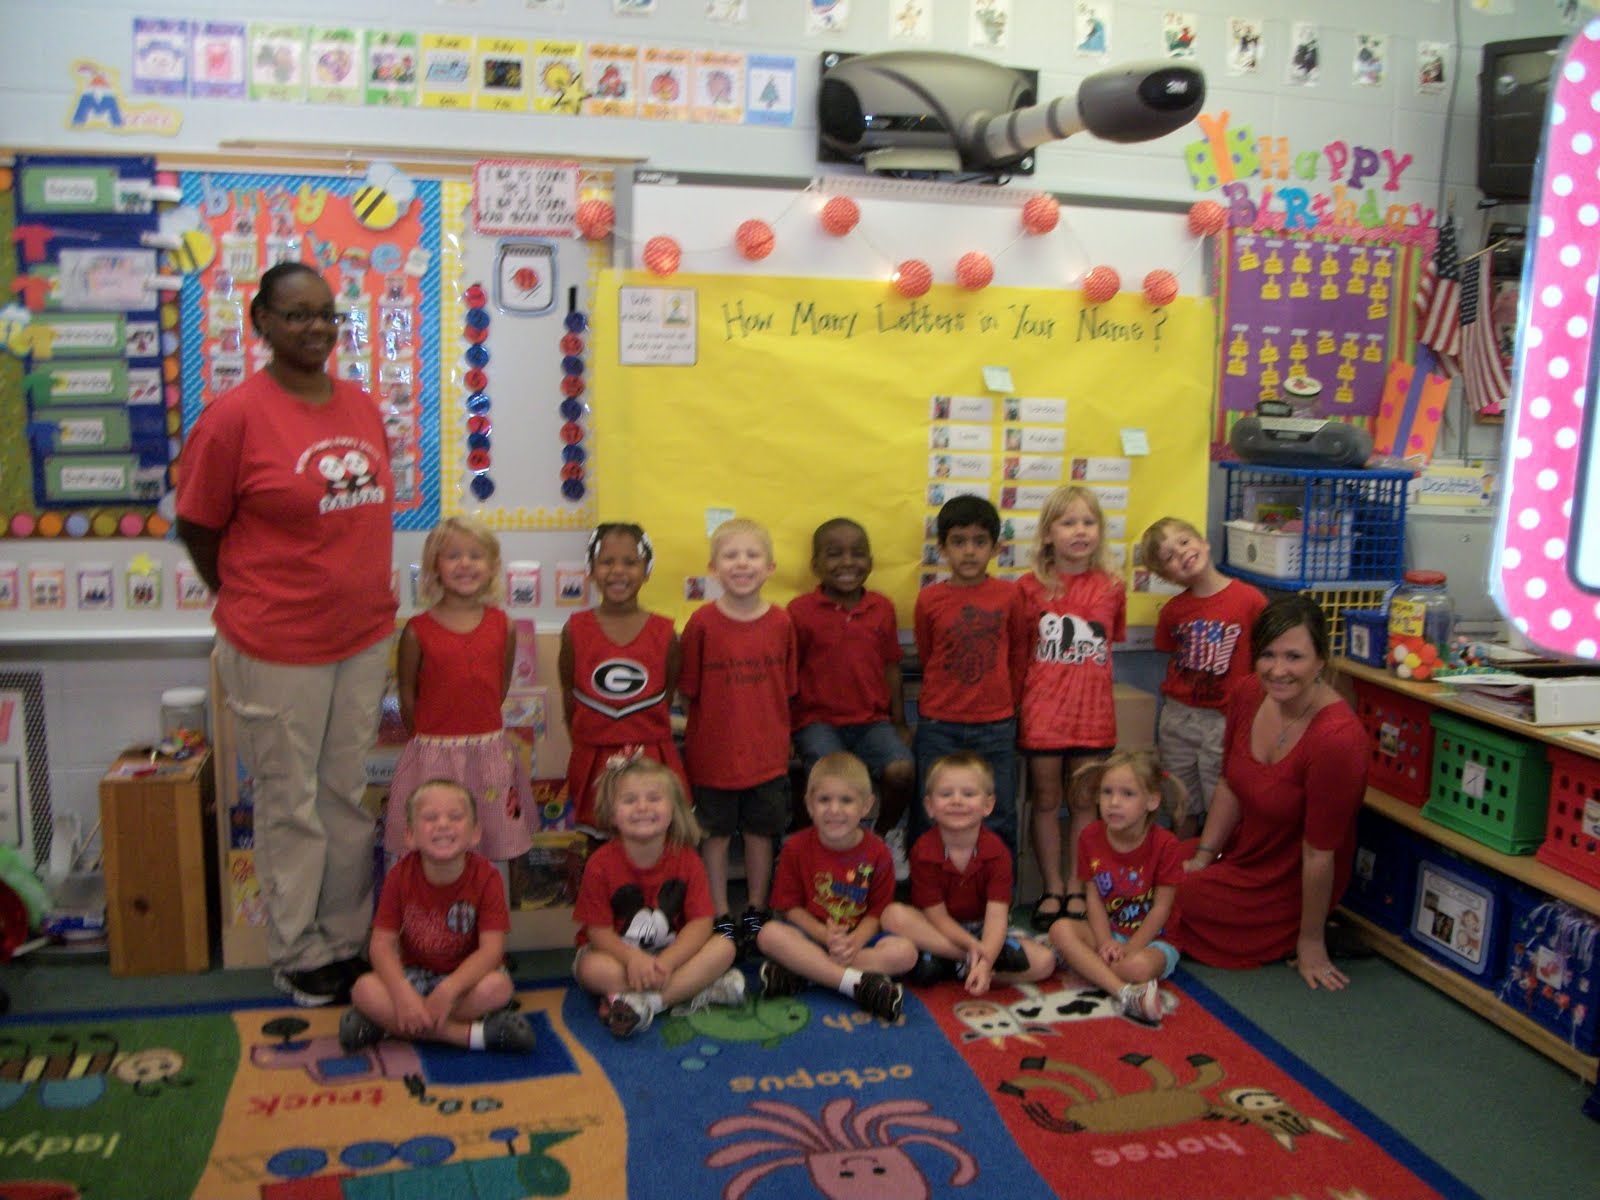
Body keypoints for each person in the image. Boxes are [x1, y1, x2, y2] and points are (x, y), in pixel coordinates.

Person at [177, 261, 396, 1007]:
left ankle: (345, 938)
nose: (316, 328)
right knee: (289, 801)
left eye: (326, 314)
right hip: (276, 646)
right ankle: (299, 952)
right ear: (261, 322)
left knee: (344, 794)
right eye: (298, 314)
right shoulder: (234, 417)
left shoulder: (360, 406)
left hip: (361, 638)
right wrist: (247, 595)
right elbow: (197, 526)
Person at [1170, 595, 1370, 990]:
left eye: (1294, 657)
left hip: (1287, 881)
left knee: (1168, 891)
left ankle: (1305, 932)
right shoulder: (1248, 692)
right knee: (1147, 860)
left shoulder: (1337, 739)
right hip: (1242, 850)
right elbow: (1230, 783)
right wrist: (1204, 856)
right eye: (1267, 655)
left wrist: (1310, 941)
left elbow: (1319, 854)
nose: (1278, 670)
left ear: (1320, 660)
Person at [384, 516, 532, 889]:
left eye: (475, 556)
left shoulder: (503, 625)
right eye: (453, 556)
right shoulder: (417, 630)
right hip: (433, 755)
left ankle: (490, 914)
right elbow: (407, 697)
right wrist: (434, 742)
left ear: (492, 566)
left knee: (492, 841)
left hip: (488, 753)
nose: (465, 564)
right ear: (435, 566)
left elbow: (498, 687)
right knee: (434, 839)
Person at [340, 779, 536, 1053]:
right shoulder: (398, 876)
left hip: (465, 979)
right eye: (430, 818)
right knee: (363, 989)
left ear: (475, 833)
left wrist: (449, 990)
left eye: (455, 817)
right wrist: (402, 994)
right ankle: (470, 1035)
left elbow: (491, 951)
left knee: (499, 987)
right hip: (414, 976)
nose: (443, 824)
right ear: (410, 835)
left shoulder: (487, 877)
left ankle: (389, 1026)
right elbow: (381, 946)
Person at [679, 517, 797, 957]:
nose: (742, 563)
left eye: (752, 555)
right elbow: (689, 691)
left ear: (770, 567)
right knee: (714, 835)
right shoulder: (701, 623)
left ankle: (755, 909)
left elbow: (787, 688)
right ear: (713, 567)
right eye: (730, 555)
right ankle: (718, 912)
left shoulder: (782, 622)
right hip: (713, 756)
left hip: (767, 756)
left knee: (761, 834)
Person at [572, 755, 745, 1038]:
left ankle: (649, 1003)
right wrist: (632, 959)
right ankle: (694, 988)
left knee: (725, 946)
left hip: (672, 955)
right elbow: (598, 932)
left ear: (673, 810)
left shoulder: (688, 860)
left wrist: (668, 962)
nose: (642, 807)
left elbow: (701, 924)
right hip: (617, 956)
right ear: (612, 813)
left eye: (654, 798)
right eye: (630, 800)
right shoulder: (599, 865)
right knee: (591, 969)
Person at [1017, 485, 1126, 931]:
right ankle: (1052, 886)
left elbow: (1108, 643)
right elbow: (1021, 652)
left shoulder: (1113, 586)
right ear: (1048, 533)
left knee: (1084, 802)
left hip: (1093, 714)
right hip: (1043, 714)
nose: (1080, 531)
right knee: (1046, 801)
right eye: (1068, 523)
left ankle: (1079, 887)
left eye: (1088, 522)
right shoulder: (1027, 588)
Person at [755, 753, 918, 1020]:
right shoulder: (795, 847)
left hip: (858, 942)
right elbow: (789, 908)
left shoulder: (878, 852)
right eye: (824, 800)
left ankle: (806, 972)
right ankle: (855, 984)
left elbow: (878, 913)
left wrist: (855, 941)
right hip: (811, 936)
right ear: (809, 804)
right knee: (768, 934)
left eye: (846, 800)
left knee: (906, 954)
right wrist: (823, 935)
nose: (834, 810)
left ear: (866, 806)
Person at [911, 495, 1030, 858]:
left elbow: (1018, 654)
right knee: (931, 811)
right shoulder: (929, 599)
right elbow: (929, 654)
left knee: (999, 813)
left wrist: (1009, 706)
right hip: (939, 724)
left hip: (995, 725)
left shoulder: (1010, 596)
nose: (969, 551)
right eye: (958, 541)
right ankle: (930, 888)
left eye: (979, 542)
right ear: (942, 548)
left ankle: (998, 891)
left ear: (995, 548)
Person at [882, 752, 1056, 992]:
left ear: (988, 805)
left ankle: (958, 967)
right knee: (892, 915)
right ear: (930, 806)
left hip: (983, 929)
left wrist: (986, 959)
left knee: (1045, 962)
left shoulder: (997, 853)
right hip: (937, 930)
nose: (957, 801)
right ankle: (964, 961)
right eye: (946, 794)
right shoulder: (923, 850)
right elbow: (937, 916)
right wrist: (972, 949)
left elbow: (996, 918)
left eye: (968, 794)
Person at [1139, 517, 1268, 839]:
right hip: (1178, 717)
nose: (1181, 554)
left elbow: (1265, 656)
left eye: (1184, 542)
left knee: (1222, 801)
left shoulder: (1250, 600)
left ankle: (1217, 861)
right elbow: (1171, 652)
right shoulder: (1173, 611)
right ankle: (1182, 859)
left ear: (1204, 542)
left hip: (1227, 719)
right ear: (1166, 576)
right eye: (1169, 557)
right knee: (1180, 800)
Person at [559, 523, 687, 837]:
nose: (618, 571)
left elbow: (666, 695)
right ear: (591, 569)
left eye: (630, 562)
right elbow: (569, 696)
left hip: (651, 757)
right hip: (593, 756)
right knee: (598, 841)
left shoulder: (665, 633)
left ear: (647, 570)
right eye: (607, 561)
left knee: (654, 839)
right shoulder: (574, 629)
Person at [788, 518, 914, 837]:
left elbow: (891, 668)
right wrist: (783, 732)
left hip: (872, 723)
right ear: (815, 565)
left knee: (902, 770)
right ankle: (816, 844)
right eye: (834, 554)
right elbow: (787, 675)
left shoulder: (881, 608)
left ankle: (883, 837)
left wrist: (900, 723)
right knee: (832, 780)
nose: (847, 562)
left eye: (857, 553)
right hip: (817, 723)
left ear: (870, 561)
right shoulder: (799, 611)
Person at [1047, 752, 1187, 1024]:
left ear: (1152, 801)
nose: (1113, 803)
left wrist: (1131, 948)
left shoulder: (1166, 844)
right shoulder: (1090, 836)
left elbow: (1161, 909)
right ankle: (1124, 992)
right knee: (1059, 928)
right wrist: (1104, 943)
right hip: (1108, 932)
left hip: (1153, 939)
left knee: (1138, 967)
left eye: (1127, 794)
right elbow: (1093, 898)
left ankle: (1087, 967)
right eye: (1106, 792)